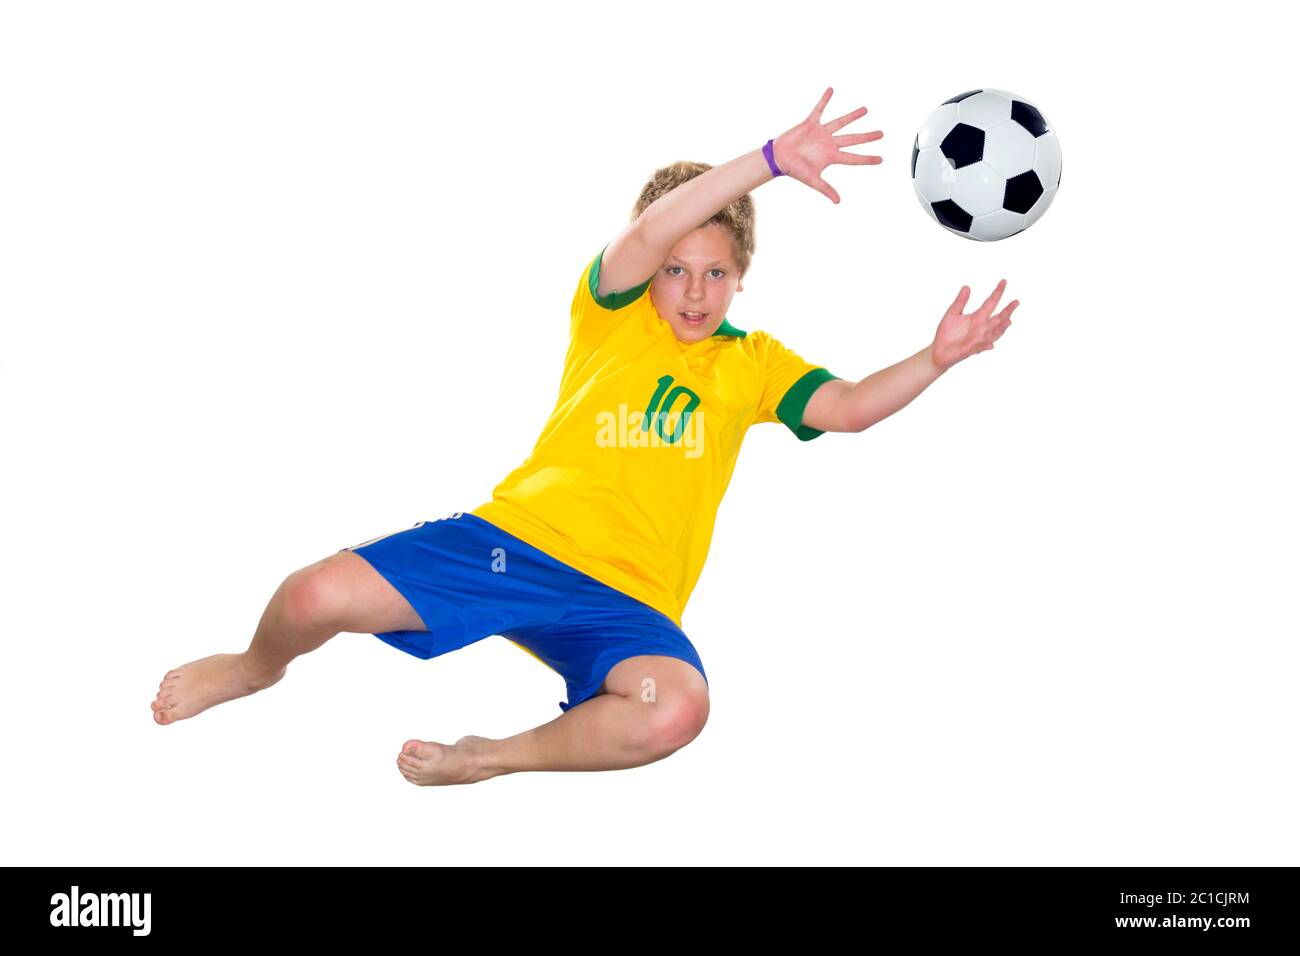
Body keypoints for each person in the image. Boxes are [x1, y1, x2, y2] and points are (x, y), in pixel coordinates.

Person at [151, 87, 1018, 786]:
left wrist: (936, 358)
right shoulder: (610, 313)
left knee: (673, 706)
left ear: (741, 280)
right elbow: (645, 233)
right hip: (511, 550)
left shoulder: (753, 363)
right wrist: (765, 165)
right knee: (311, 599)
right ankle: (255, 667)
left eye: (716, 273)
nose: (692, 291)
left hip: (620, 611)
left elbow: (854, 405)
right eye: (676, 270)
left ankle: (493, 756)